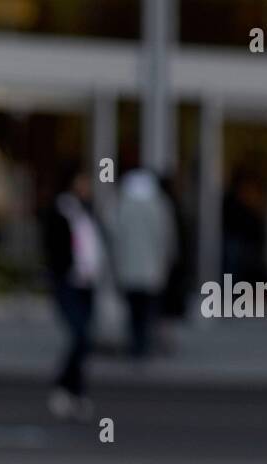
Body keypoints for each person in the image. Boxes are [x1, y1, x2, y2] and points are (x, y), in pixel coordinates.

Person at [41, 165, 105, 420]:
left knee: (85, 340)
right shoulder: (60, 210)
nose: (87, 187)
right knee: (81, 336)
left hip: (86, 283)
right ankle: (63, 388)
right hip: (68, 282)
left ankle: (75, 392)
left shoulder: (86, 212)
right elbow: (54, 246)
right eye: (83, 181)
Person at [112, 168, 177, 358]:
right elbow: (167, 238)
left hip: (128, 269)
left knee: (133, 311)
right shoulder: (159, 206)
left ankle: (136, 344)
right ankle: (144, 345)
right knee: (148, 310)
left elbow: (115, 235)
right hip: (152, 269)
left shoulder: (122, 205)